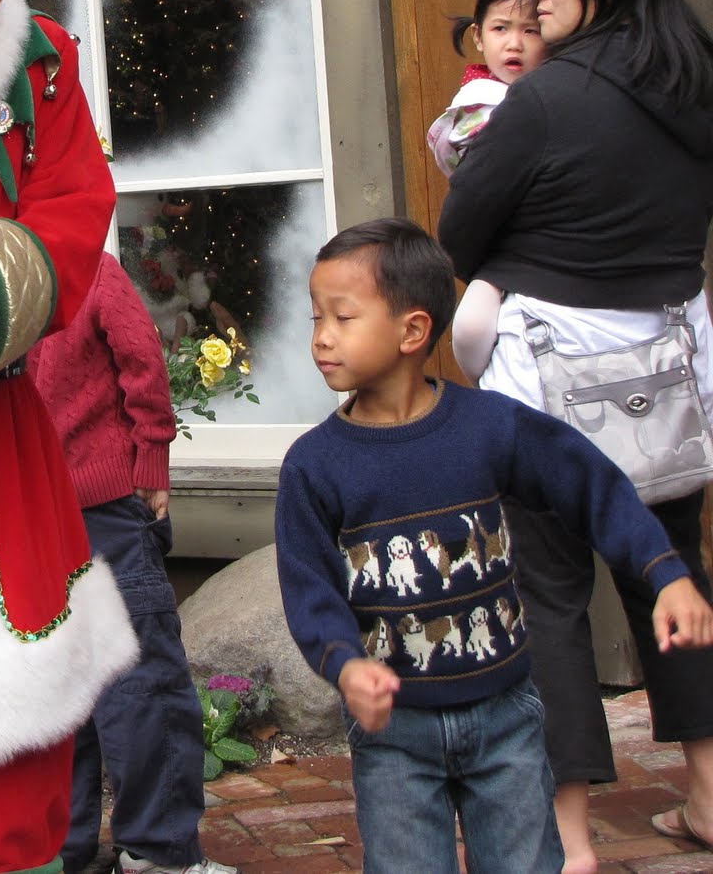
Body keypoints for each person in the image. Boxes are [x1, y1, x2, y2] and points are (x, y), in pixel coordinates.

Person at [276, 217, 713, 874]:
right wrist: (344, 664)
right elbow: (309, 588)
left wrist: (666, 571)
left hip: (507, 718)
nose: (321, 338)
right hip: (395, 733)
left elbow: (594, 486)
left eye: (341, 316)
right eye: (316, 317)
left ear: (412, 330)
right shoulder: (314, 466)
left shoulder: (490, 427)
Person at [437, 0, 713, 872]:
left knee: (545, 594)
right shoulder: (695, 82)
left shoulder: (542, 103)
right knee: (669, 574)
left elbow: (459, 234)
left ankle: (569, 837)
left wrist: (523, 249)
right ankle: (709, 793)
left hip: (549, 383)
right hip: (672, 371)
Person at [26, 251, 235, 874]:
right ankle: (158, 850)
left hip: (26, 510)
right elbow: (143, 358)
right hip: (101, 505)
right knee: (142, 680)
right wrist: (150, 461)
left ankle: (66, 850)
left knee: (57, 685)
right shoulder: (85, 263)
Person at [425, 0, 544, 381]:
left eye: (532, 30)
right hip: (500, 241)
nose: (515, 42)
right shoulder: (479, 101)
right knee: (474, 324)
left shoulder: (554, 93)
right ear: (478, 36)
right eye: (501, 28)